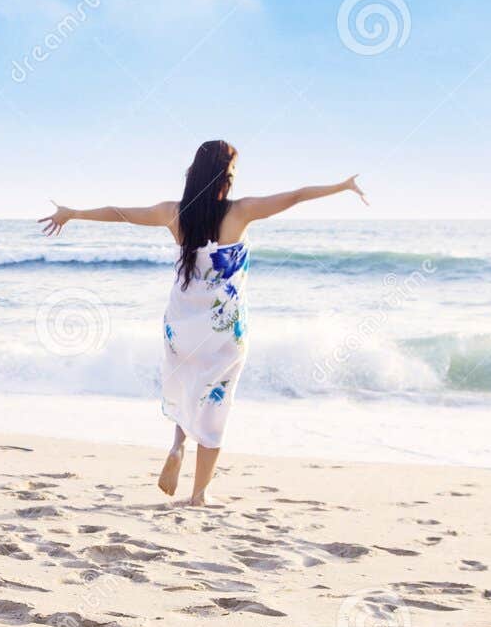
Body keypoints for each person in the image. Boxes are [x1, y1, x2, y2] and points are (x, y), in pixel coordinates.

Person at [39, 140, 367, 504]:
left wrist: (72, 212)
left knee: (186, 383)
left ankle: (178, 445)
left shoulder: (172, 213)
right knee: (215, 400)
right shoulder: (242, 212)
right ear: (227, 176)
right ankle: (199, 494)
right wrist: (342, 186)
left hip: (181, 322)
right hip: (223, 328)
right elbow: (297, 196)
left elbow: (120, 213)